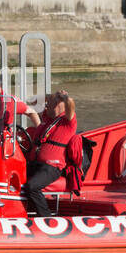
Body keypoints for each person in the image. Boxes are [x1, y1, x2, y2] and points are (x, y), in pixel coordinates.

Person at [20, 89, 77, 217]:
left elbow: (71, 105)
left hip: (52, 167)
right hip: (35, 164)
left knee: (32, 186)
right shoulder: (47, 118)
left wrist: (64, 97)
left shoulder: (68, 121)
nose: (45, 106)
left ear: (58, 105)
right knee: (12, 172)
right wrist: (50, 97)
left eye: (48, 104)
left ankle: (46, 217)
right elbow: (33, 101)